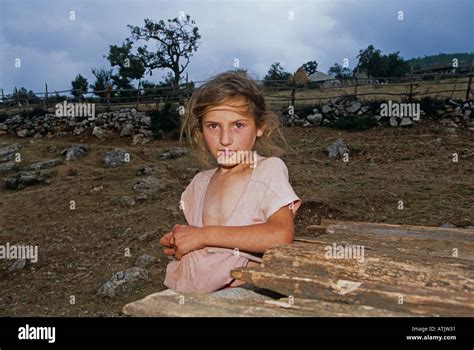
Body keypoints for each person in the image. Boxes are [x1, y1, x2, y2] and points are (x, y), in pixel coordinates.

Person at [160, 70, 302, 293]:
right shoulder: (199, 183)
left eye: (238, 125)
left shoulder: (267, 171)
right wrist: (184, 243)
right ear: (200, 131)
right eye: (213, 126)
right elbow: (210, 247)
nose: (225, 140)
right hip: (190, 293)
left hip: (240, 293)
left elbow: (281, 235)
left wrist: (204, 236)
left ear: (260, 126)